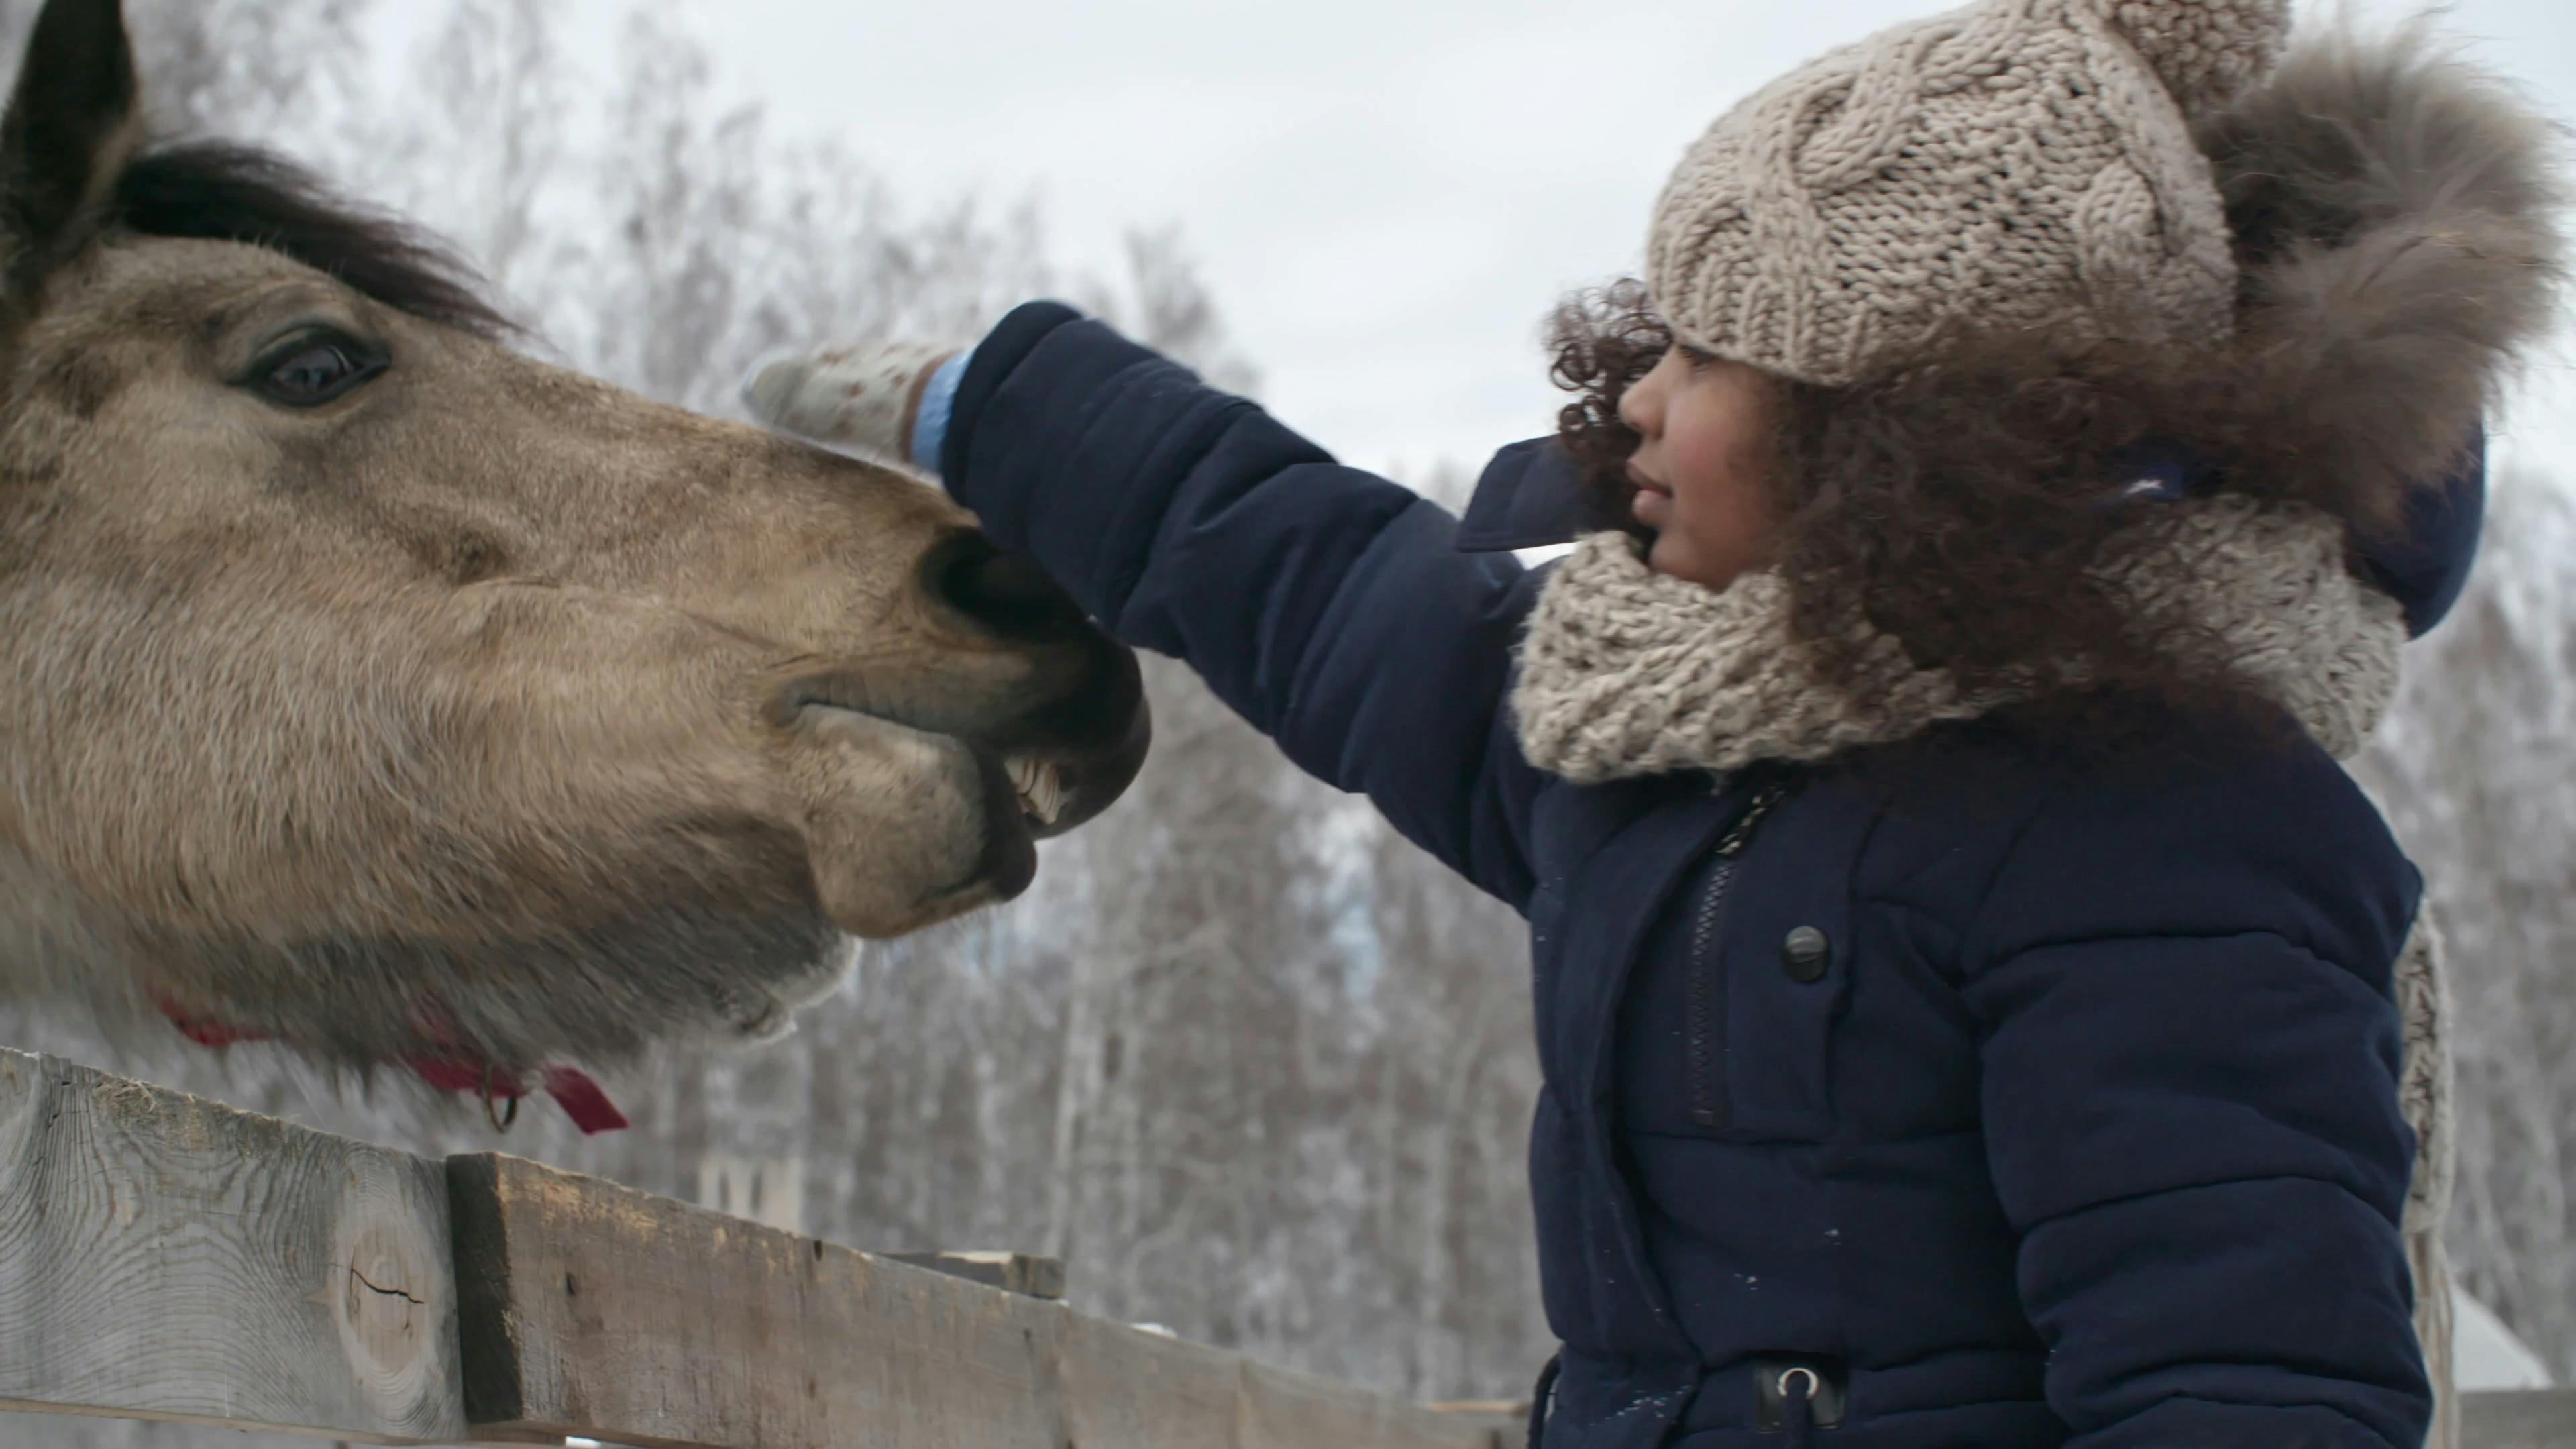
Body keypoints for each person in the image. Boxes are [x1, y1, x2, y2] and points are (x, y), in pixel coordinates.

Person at [743, 1, 2565, 1444]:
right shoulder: (1649, 724)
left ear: (1900, 436)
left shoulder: (2174, 834)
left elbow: (2238, 1376)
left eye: (1703, 359)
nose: (1633, 404)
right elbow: (1316, 586)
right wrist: (1007, 408)